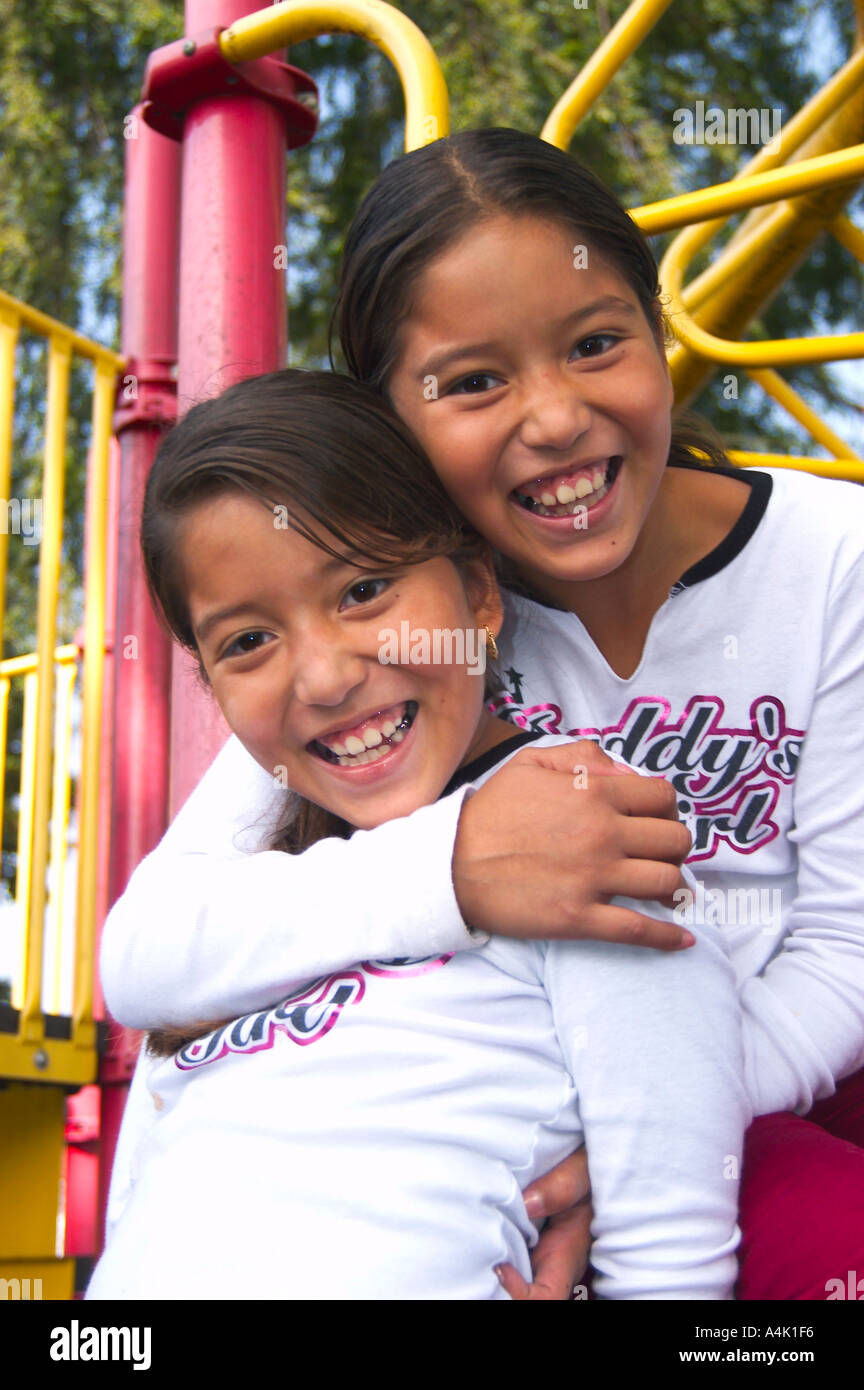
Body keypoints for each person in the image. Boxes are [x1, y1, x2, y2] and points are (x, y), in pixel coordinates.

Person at [100, 128, 864, 1301]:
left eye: (597, 343)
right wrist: (458, 865)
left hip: (754, 1081)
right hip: (466, 1130)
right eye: (472, 382)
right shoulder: (392, 635)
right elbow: (156, 943)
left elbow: (844, 954)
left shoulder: (833, 561)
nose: (554, 419)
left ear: (658, 337)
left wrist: (640, 1123)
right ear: (392, 428)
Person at [87, 370, 748, 1300]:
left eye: (363, 590)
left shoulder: (586, 839)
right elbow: (132, 970)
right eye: (246, 642)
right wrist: (450, 870)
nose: (321, 679)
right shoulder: (259, 887)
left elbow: (674, 1260)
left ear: (480, 593)